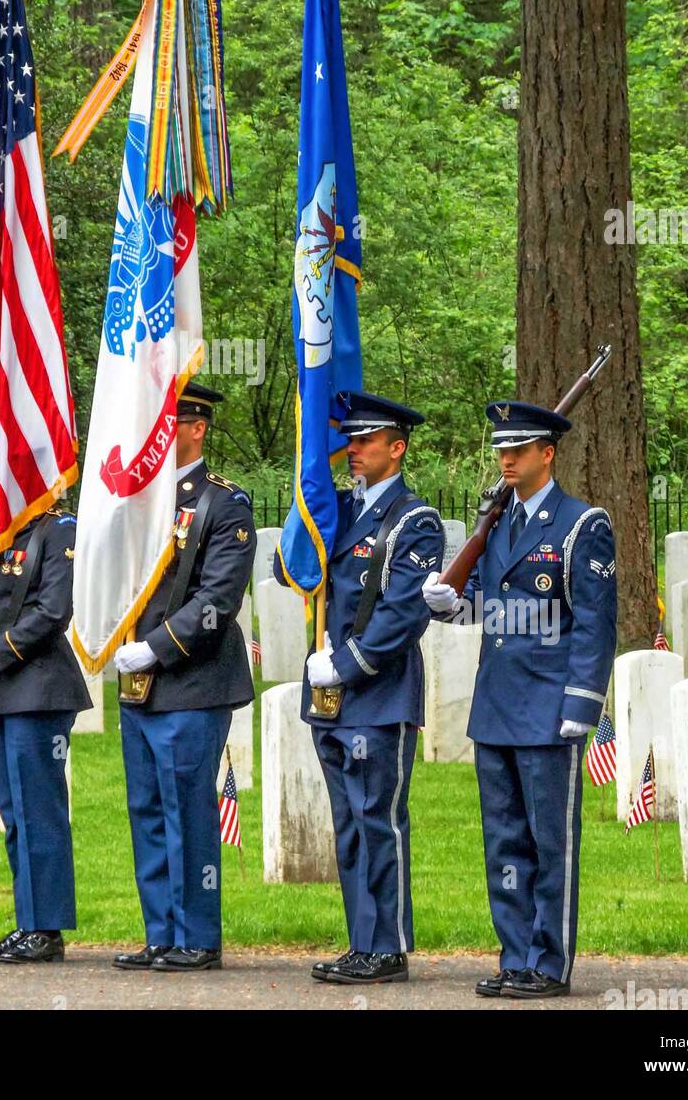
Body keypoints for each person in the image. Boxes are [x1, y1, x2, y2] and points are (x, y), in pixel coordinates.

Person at [423, 400, 617, 999]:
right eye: (501, 450)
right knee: (503, 840)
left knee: (548, 843)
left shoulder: (583, 525)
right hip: (498, 705)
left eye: (518, 449)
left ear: (547, 453)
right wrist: (448, 603)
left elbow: (594, 625)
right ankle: (514, 956)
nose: (506, 458)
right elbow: (486, 605)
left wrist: (580, 706)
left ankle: (548, 964)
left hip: (548, 708)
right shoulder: (500, 522)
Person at [275, 390, 445, 985]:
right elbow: (286, 569)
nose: (354, 449)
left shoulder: (414, 521)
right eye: (351, 439)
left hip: (375, 693)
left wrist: (344, 665)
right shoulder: (333, 509)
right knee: (347, 824)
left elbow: (402, 614)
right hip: (329, 699)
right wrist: (305, 505)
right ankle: (360, 940)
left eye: (368, 441)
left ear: (396, 449)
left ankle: (388, 947)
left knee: (379, 820)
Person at [110, 382, 255, 972]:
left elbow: (218, 598)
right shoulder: (132, 501)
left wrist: (157, 647)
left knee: (188, 811)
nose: (157, 434)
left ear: (197, 429)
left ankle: (198, 934)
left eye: (169, 423)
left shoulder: (225, 504)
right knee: (146, 807)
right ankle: (161, 931)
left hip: (191, 681)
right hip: (137, 681)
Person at [0, 504, 90, 963]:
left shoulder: (58, 530)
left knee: (39, 812)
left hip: (38, 687)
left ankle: (46, 929)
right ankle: (28, 921)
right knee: (14, 812)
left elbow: (54, 610)